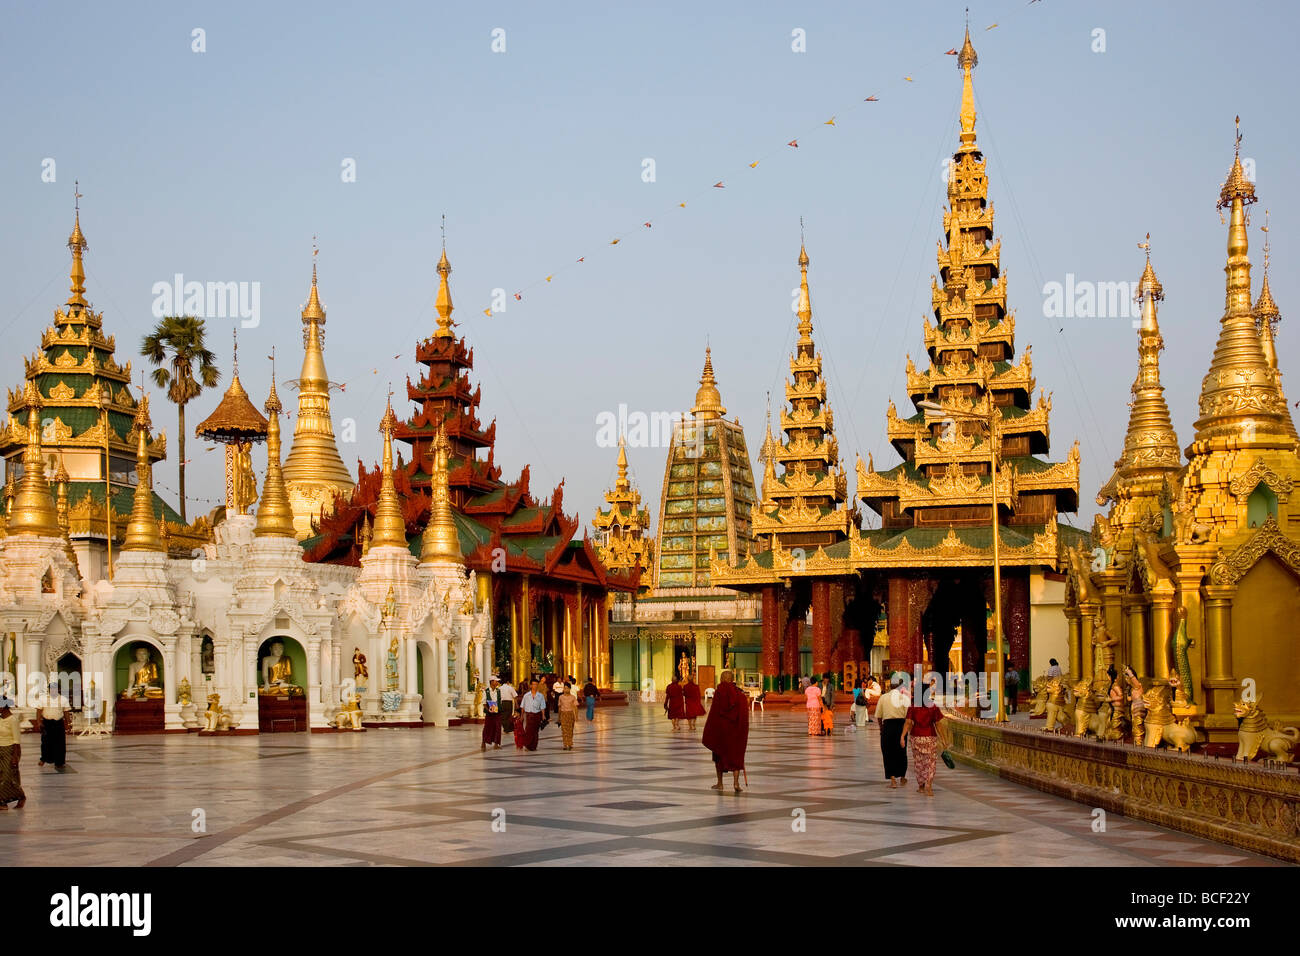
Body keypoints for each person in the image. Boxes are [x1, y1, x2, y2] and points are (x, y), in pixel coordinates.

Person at [702, 670, 749, 793]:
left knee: (718, 756)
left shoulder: (719, 693)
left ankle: (720, 783)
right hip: (735, 732)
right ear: (732, 679)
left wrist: (710, 731)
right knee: (736, 757)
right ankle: (736, 783)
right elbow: (744, 717)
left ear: (722, 679)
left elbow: (714, 714)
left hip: (721, 732)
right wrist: (742, 733)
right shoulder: (740, 695)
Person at [902, 685, 945, 796]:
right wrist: (944, 739)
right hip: (930, 737)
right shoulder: (933, 707)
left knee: (919, 762)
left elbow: (908, 722)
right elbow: (938, 724)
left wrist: (902, 736)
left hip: (916, 737)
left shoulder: (912, 707)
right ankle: (929, 786)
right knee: (931, 762)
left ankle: (921, 786)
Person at [877, 676, 909, 788]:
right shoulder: (904, 698)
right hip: (901, 726)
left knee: (888, 752)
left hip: (888, 726)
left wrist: (881, 728)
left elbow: (879, 716)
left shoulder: (883, 697)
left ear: (890, 686)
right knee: (901, 752)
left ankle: (892, 780)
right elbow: (908, 717)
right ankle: (903, 776)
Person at [37, 682, 69, 770]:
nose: (53, 690)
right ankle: (43, 759)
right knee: (45, 742)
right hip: (47, 723)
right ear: (49, 689)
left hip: (58, 723)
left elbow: (66, 712)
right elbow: (39, 711)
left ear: (58, 689)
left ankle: (59, 762)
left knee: (60, 743)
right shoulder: (43, 699)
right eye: (51, 689)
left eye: (55, 689)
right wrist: (39, 722)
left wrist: (67, 724)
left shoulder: (63, 699)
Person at [0, 700, 25, 809]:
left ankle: (21, 796)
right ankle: (3, 802)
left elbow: (16, 740)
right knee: (1, 776)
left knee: (8, 777)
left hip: (10, 749)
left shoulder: (13, 720)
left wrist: (15, 756)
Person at [519, 679, 546, 752]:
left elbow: (542, 706)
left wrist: (543, 716)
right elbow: (522, 706)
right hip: (529, 715)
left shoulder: (540, 696)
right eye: (533, 684)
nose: (535, 686)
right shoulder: (526, 696)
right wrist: (522, 716)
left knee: (535, 731)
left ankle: (533, 746)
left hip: (537, 715)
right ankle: (527, 745)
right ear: (530, 685)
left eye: (536, 684)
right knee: (528, 730)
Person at [481, 675, 503, 752]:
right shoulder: (486, 691)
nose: (497, 682)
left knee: (498, 727)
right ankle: (483, 742)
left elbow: (500, 701)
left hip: (497, 712)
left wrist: (499, 708)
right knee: (487, 727)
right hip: (489, 713)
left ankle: (496, 744)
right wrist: (489, 709)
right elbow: (484, 703)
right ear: (492, 682)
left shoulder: (499, 691)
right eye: (496, 681)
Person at [557, 682, 578, 750]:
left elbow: (575, 707)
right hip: (563, 714)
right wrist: (559, 717)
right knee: (564, 730)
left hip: (570, 714)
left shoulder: (573, 697)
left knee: (570, 730)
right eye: (564, 688)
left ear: (569, 689)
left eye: (567, 688)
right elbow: (559, 708)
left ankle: (570, 743)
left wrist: (576, 717)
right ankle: (565, 744)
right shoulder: (561, 697)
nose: (566, 690)